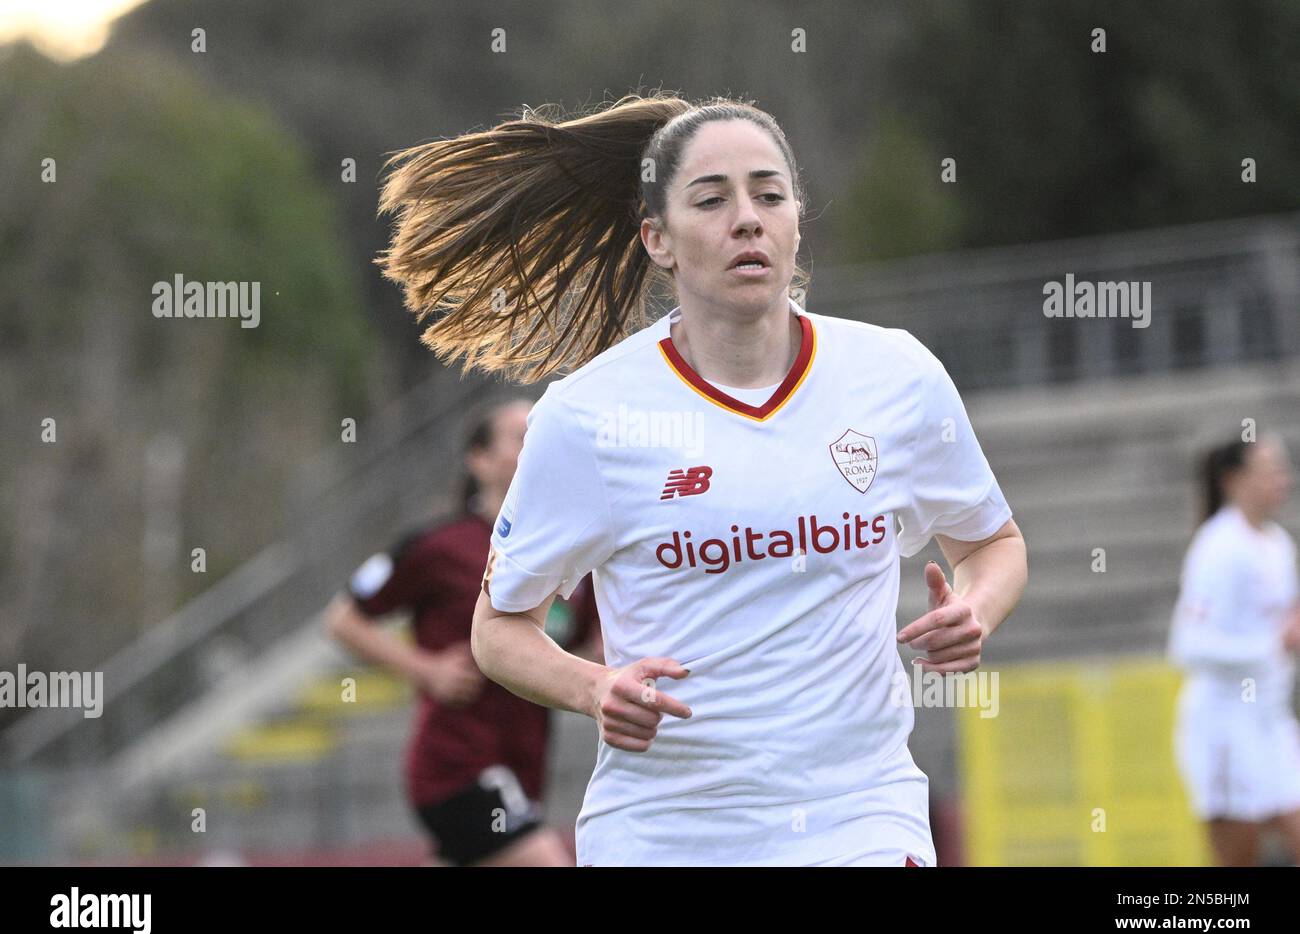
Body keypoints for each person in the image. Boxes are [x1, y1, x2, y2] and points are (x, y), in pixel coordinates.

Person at [375, 93, 1028, 866]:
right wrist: (595, 688)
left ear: (794, 219)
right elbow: (498, 628)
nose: (746, 218)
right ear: (659, 239)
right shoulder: (589, 417)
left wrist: (977, 610)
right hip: (666, 832)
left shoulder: (896, 374)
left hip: (861, 816)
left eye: (769, 194)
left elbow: (994, 541)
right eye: (712, 200)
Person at [325, 397, 604, 866]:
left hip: (526, 766)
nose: (539, 446)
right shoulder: (441, 545)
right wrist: (426, 669)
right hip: (457, 767)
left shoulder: (571, 548)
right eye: (521, 436)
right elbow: (343, 619)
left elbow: (592, 649)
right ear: (479, 460)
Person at [1167, 433, 1300, 865]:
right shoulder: (1218, 546)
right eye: (1270, 469)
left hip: (1272, 721)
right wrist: (1272, 645)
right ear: (1234, 480)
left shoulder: (1279, 544)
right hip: (1224, 727)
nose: (1283, 479)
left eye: (1284, 468)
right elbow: (1188, 646)